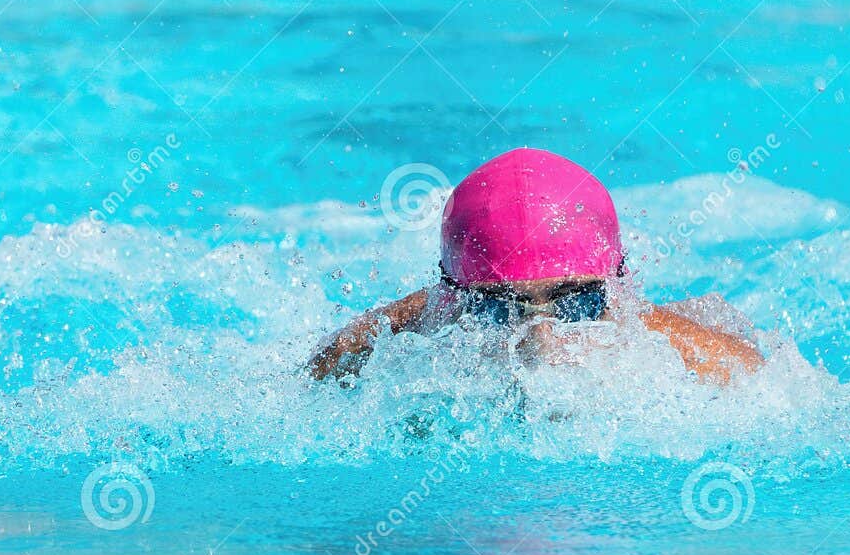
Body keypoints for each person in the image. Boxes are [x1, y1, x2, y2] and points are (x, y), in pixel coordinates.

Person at [307, 148, 763, 385]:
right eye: (497, 310)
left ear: (618, 287)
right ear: (452, 301)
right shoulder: (394, 339)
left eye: (578, 305)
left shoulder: (695, 356)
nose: (539, 343)